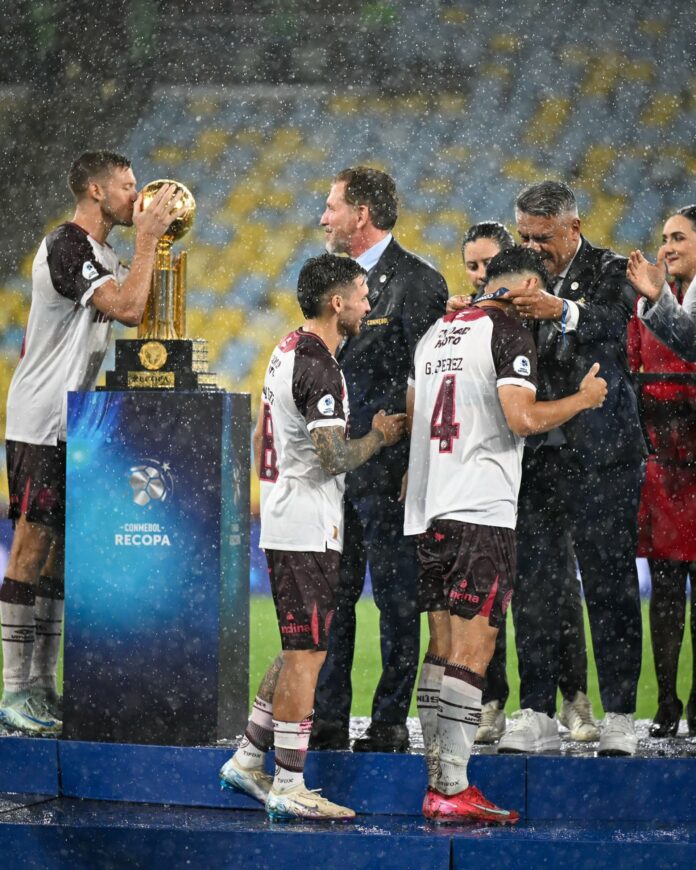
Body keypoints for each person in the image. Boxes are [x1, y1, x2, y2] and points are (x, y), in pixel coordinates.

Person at [404, 247, 607, 823]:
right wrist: (583, 400)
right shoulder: (509, 331)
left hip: (429, 506)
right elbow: (522, 419)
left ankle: (437, 780)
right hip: (480, 507)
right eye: (538, 292)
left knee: (441, 649)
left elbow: (418, 412)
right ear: (522, 285)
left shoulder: (437, 331)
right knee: (475, 649)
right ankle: (453, 786)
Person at [219, 253, 406, 821]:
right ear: (337, 302)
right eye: (362, 292)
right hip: (305, 526)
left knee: (298, 644)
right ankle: (290, 784)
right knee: (308, 654)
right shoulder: (321, 367)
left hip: (285, 515)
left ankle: (248, 759)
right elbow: (333, 457)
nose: (369, 302)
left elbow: (260, 438)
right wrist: (378, 435)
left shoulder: (285, 348)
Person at [0, 152, 181, 736]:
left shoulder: (102, 254)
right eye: (129, 188)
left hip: (74, 423)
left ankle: (43, 685)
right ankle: (12, 689)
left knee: (58, 559)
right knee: (30, 547)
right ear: (98, 191)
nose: (139, 199)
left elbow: (140, 305)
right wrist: (150, 239)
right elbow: (127, 309)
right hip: (40, 419)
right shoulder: (68, 245)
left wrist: (158, 249)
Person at [498, 180, 646, 756]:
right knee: (533, 585)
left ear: (574, 227)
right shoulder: (518, 274)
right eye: (524, 236)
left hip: (603, 456)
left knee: (609, 585)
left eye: (543, 237)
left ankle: (620, 716)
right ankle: (535, 710)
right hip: (537, 453)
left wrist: (560, 309)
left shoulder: (611, 268)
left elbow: (618, 322)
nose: (533, 248)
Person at [310, 166, 448, 753]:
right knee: (333, 604)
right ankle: (329, 719)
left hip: (391, 474)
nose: (324, 217)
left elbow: (433, 381)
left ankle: (390, 719)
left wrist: (419, 466)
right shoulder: (327, 283)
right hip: (334, 471)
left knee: (397, 601)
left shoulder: (419, 283)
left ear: (361, 214)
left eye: (332, 206)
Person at [449, 221, 596, 745]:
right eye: (473, 267)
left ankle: (571, 697)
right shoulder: (467, 322)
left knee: (553, 586)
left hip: (544, 463)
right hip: (488, 467)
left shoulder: (544, 308)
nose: (484, 277)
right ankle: (492, 700)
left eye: (491, 265)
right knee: (492, 589)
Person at [627, 206, 696, 738]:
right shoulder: (643, 305)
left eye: (679, 237)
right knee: (667, 590)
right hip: (665, 467)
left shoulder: (655, 304)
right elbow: (632, 375)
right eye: (664, 237)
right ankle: (667, 699)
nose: (668, 246)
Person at [628, 215, 696, 363]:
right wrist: (657, 297)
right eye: (665, 240)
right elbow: (628, 367)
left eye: (679, 238)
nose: (667, 249)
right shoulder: (647, 300)